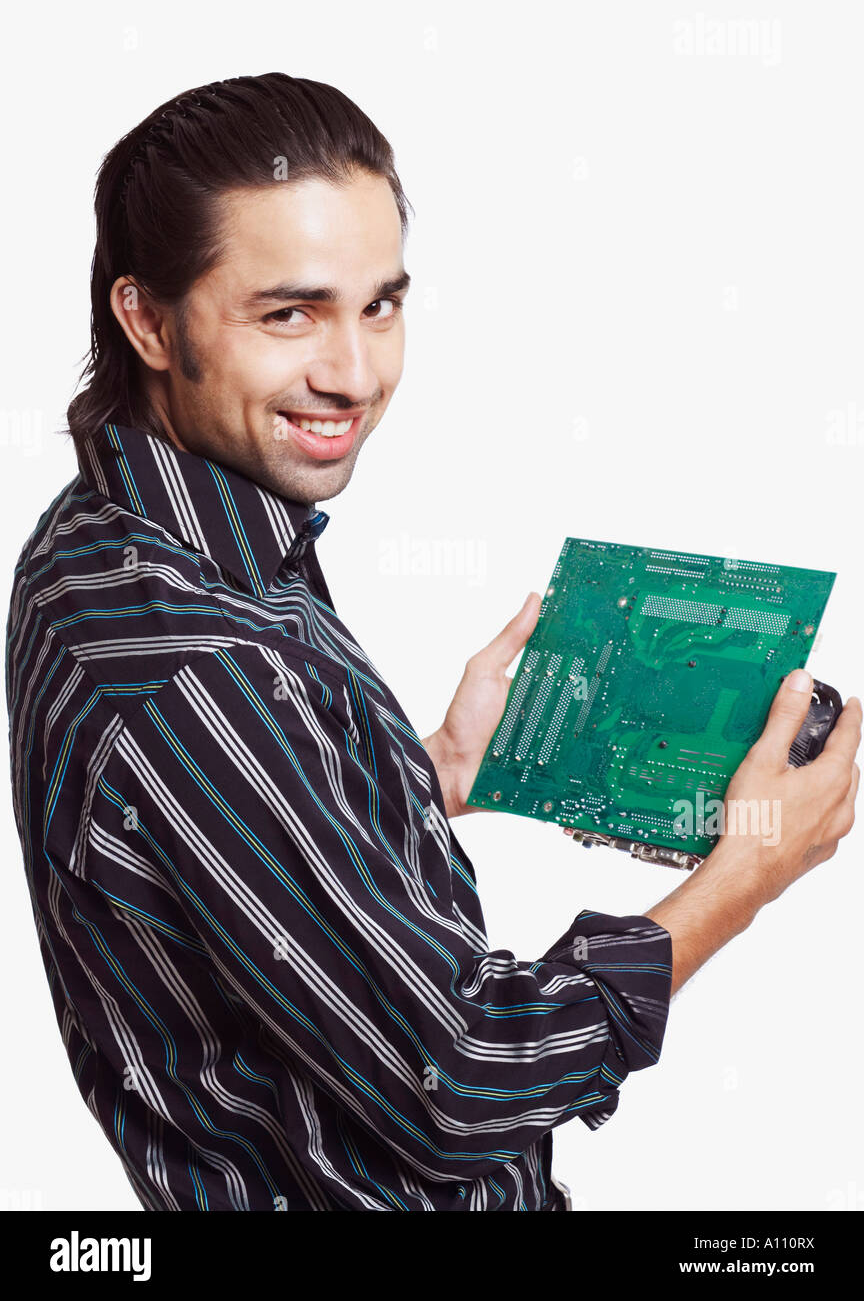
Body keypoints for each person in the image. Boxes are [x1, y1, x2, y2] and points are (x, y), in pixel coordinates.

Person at [6, 74, 860, 1211]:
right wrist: (746, 874)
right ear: (148, 320)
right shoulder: (187, 658)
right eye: (288, 313)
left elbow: (229, 843)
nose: (354, 374)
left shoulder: (121, 534)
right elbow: (460, 1077)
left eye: (381, 305)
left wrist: (436, 767)